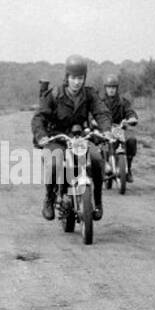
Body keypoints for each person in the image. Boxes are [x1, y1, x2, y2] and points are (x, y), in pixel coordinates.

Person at [32, 55, 109, 220]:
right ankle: (49, 198)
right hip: (57, 138)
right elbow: (39, 117)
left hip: (81, 137)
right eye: (73, 78)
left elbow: (101, 112)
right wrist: (42, 136)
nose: (77, 82)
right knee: (54, 162)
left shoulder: (89, 94)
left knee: (96, 159)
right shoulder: (54, 94)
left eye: (80, 78)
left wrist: (106, 130)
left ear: (84, 78)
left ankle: (97, 200)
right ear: (67, 77)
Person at [98, 74, 139, 179]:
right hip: (104, 129)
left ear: (116, 88)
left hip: (119, 129)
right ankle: (100, 167)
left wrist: (132, 118)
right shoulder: (99, 101)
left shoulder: (122, 101)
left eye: (113, 87)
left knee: (131, 140)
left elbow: (130, 111)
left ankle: (128, 168)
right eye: (109, 87)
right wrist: (93, 120)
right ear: (105, 88)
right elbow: (93, 113)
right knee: (95, 143)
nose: (111, 90)